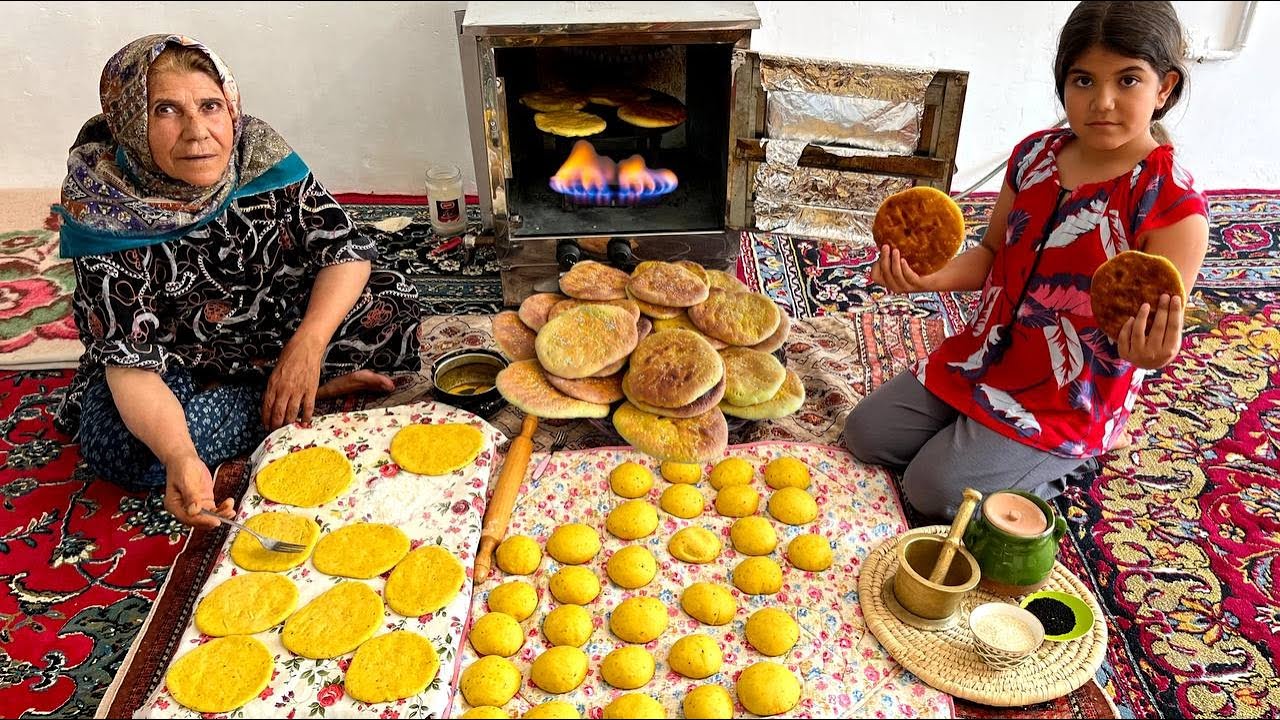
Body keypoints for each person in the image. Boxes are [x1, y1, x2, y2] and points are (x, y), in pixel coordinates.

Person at [844, 1, 1209, 520]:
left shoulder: (1172, 206)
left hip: (1066, 397)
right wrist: (927, 278)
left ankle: (1075, 456)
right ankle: (983, 442)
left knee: (931, 489)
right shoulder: (1035, 156)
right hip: (981, 355)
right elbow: (991, 254)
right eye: (1083, 80)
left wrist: (1154, 354)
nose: (1102, 101)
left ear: (1164, 88)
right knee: (865, 434)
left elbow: (1153, 336)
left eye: (1128, 80)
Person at [53, 35, 423, 528]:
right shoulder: (102, 203)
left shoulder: (257, 153)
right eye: (166, 110)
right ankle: (292, 395)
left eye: (210, 106)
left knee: (393, 302)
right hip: (173, 355)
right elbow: (130, 363)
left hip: (269, 321)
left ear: (230, 106)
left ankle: (286, 385)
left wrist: (307, 346)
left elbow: (344, 250)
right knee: (124, 450)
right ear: (130, 122)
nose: (197, 133)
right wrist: (181, 456)